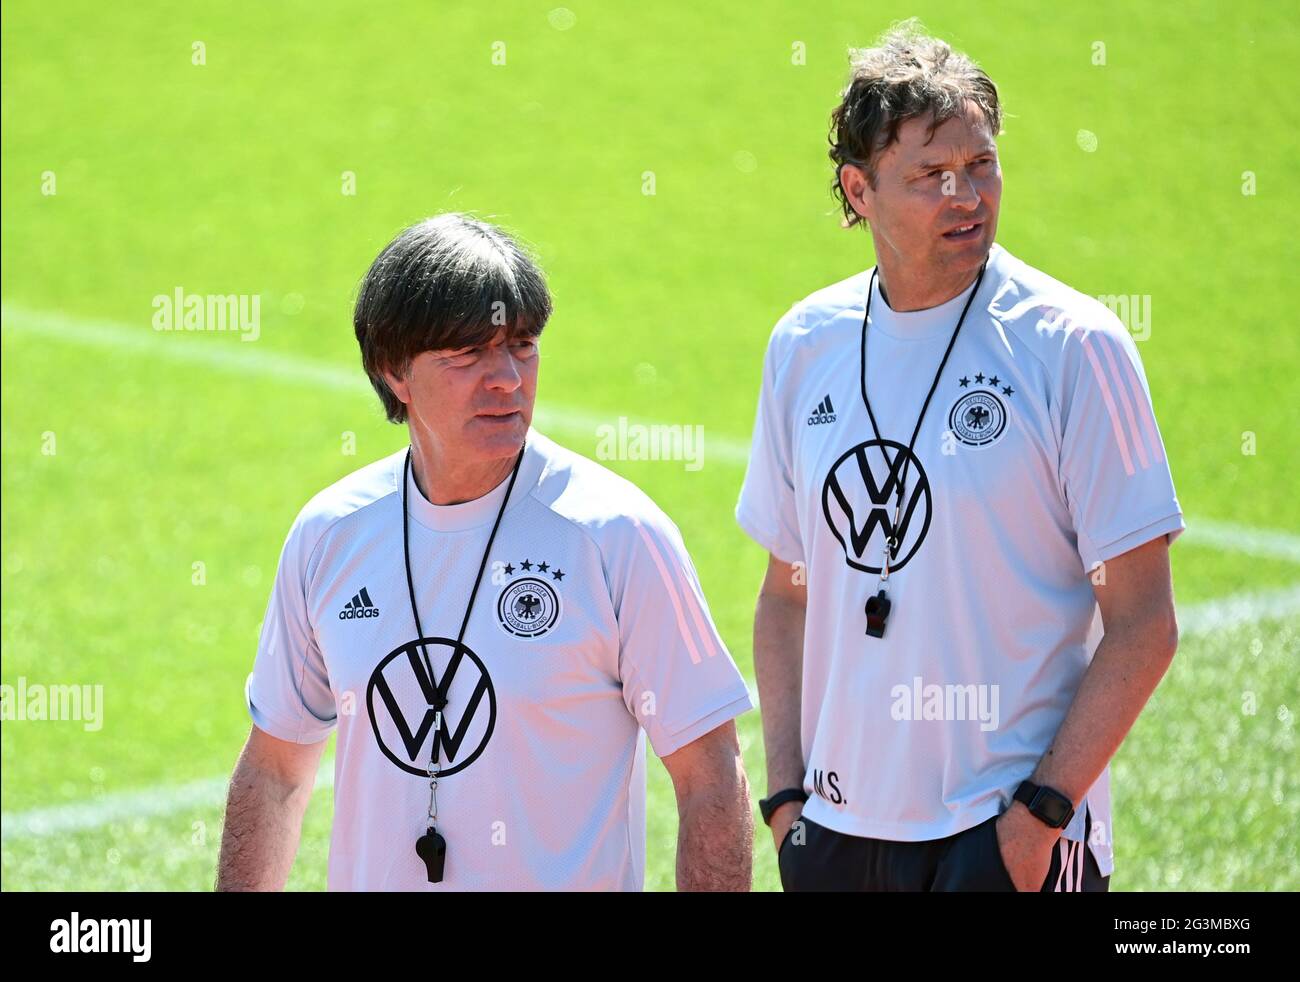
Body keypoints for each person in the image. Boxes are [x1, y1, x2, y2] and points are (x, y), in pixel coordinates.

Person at [737, 21, 1183, 891]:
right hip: (836, 835)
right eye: (930, 175)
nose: (966, 196)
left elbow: (1145, 623)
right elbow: (785, 596)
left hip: (1006, 832)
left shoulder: (1073, 347)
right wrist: (788, 803)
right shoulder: (804, 344)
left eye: (981, 165)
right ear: (859, 190)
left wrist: (1037, 820)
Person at [218, 213, 754, 891]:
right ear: (394, 369)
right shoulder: (329, 535)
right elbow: (273, 773)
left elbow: (711, 778)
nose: (506, 378)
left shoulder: (617, 536)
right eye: (469, 353)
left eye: (522, 346)